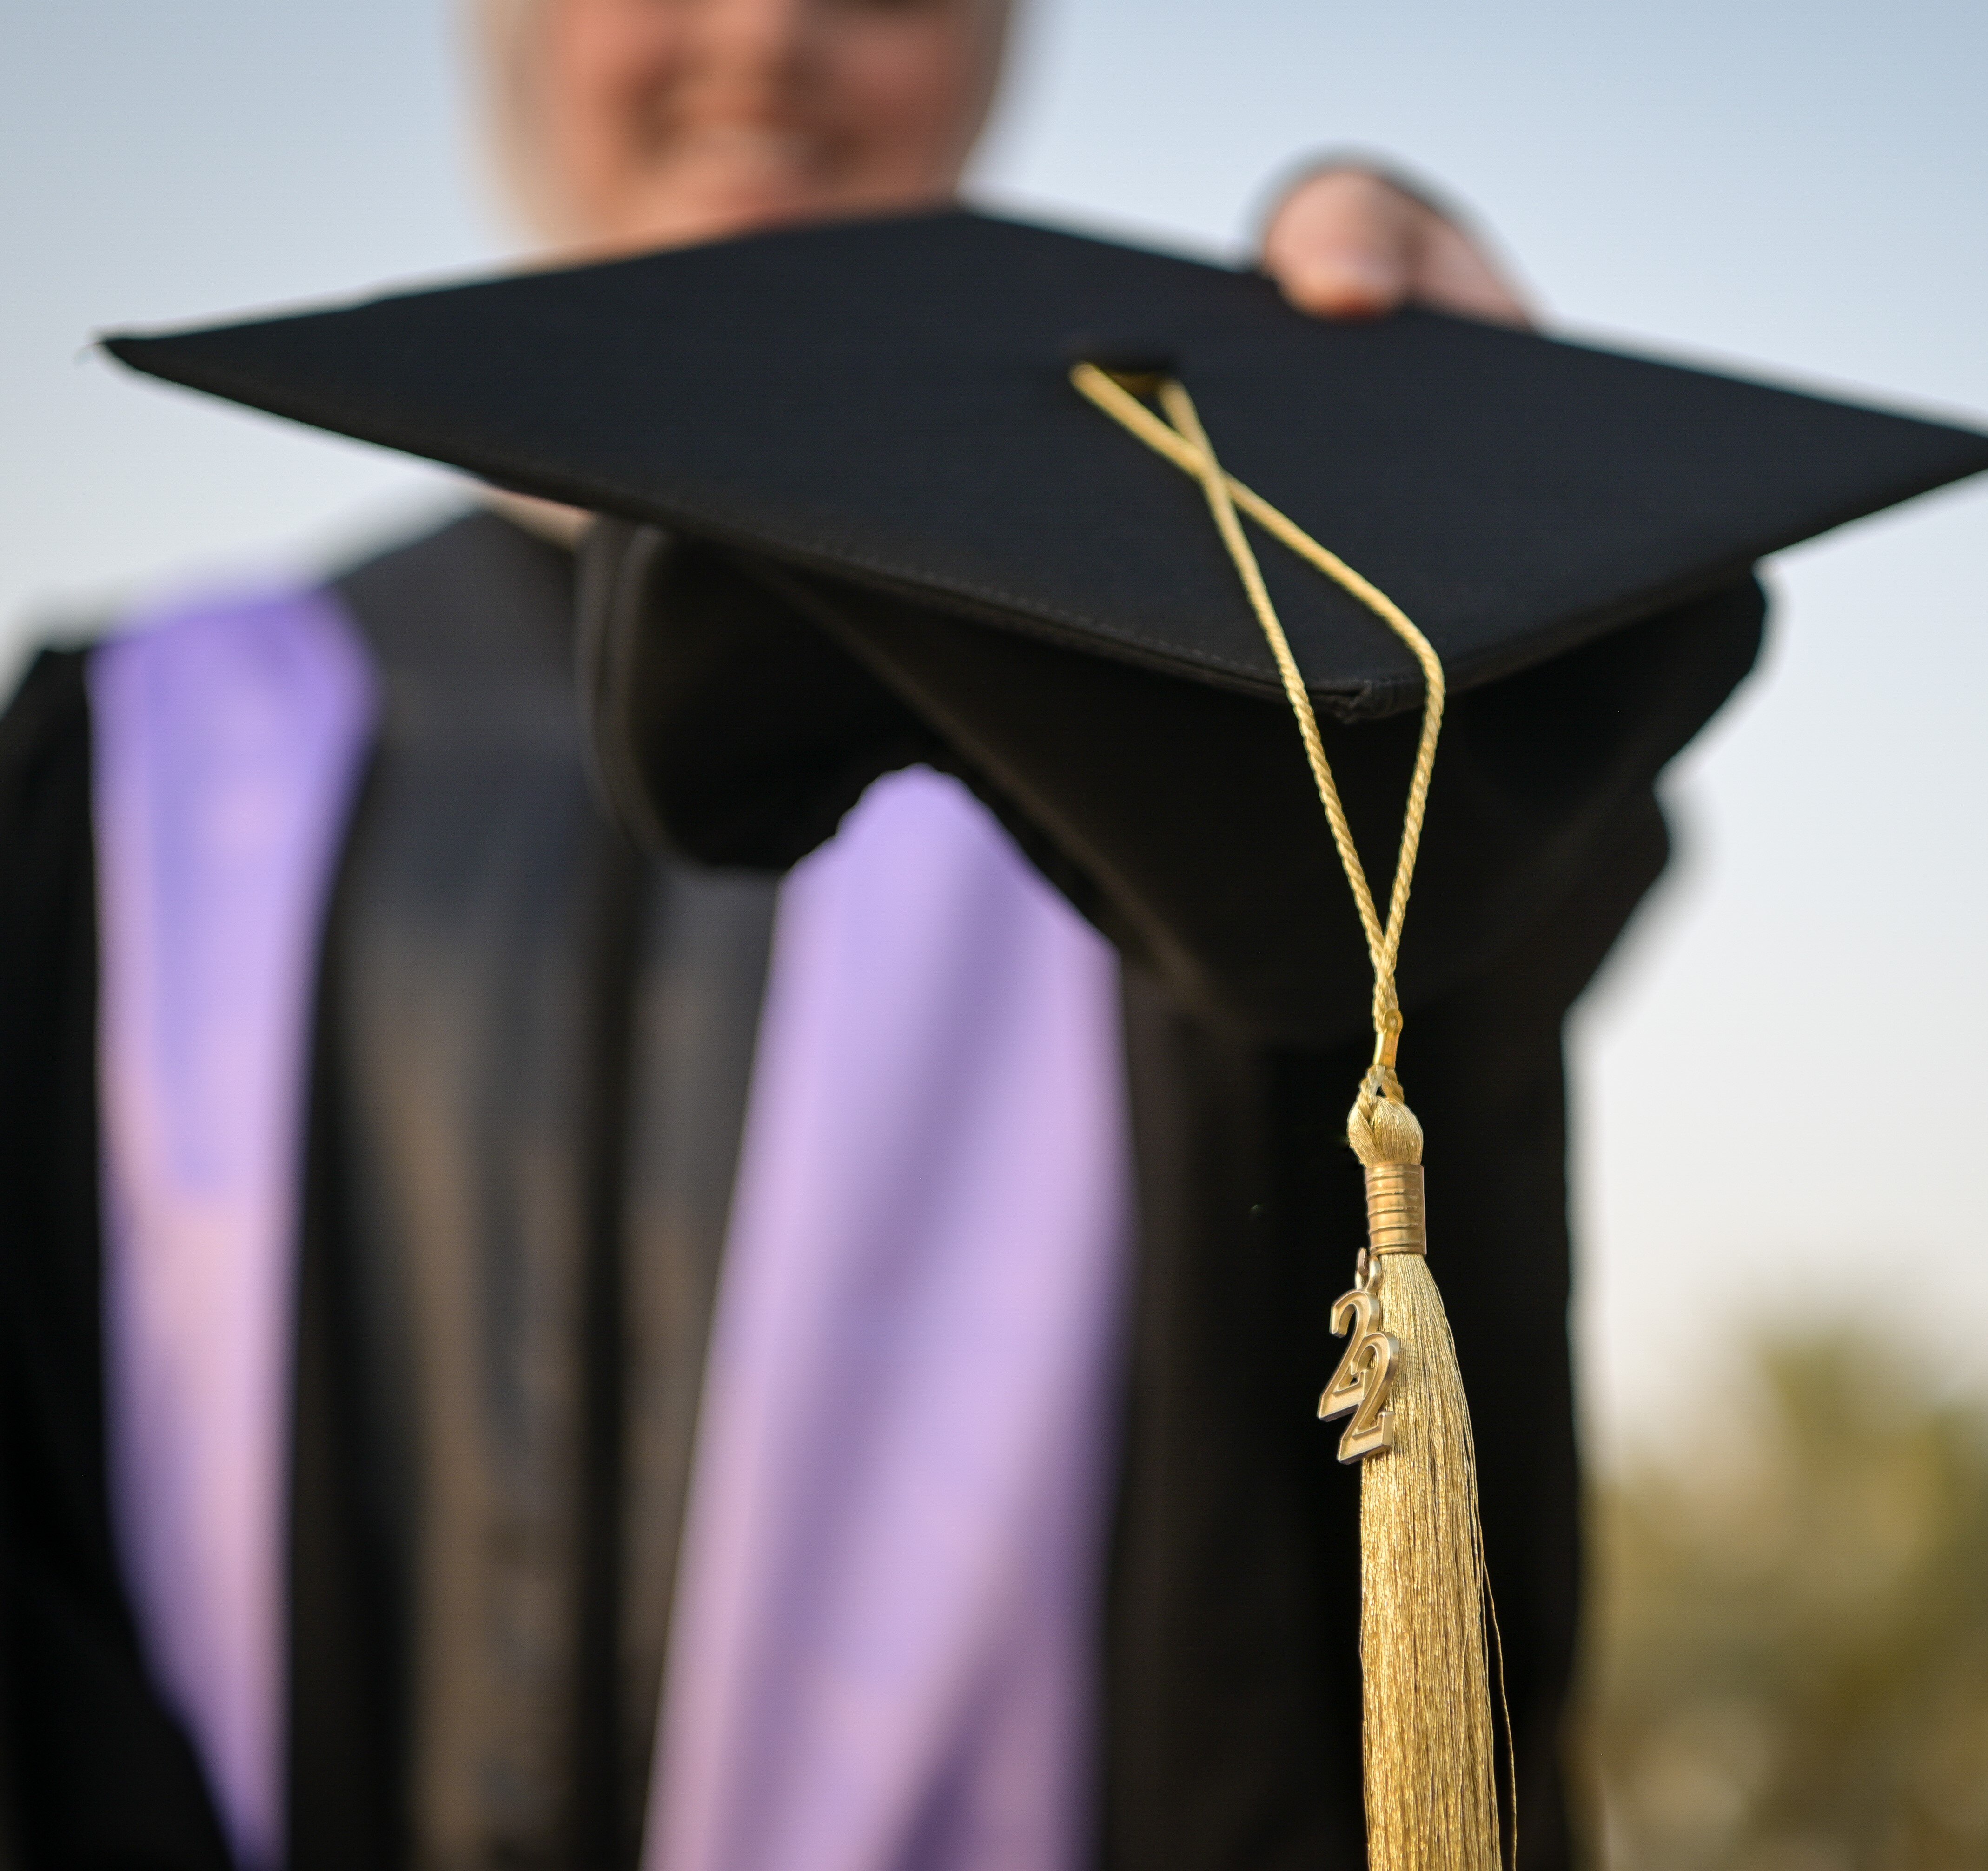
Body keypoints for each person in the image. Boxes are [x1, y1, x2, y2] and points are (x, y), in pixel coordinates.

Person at [0, 3, 1679, 1869]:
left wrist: (1450, 530)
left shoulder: (1186, 725)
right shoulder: (141, 759)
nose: (763, 37)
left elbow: (1460, 971)